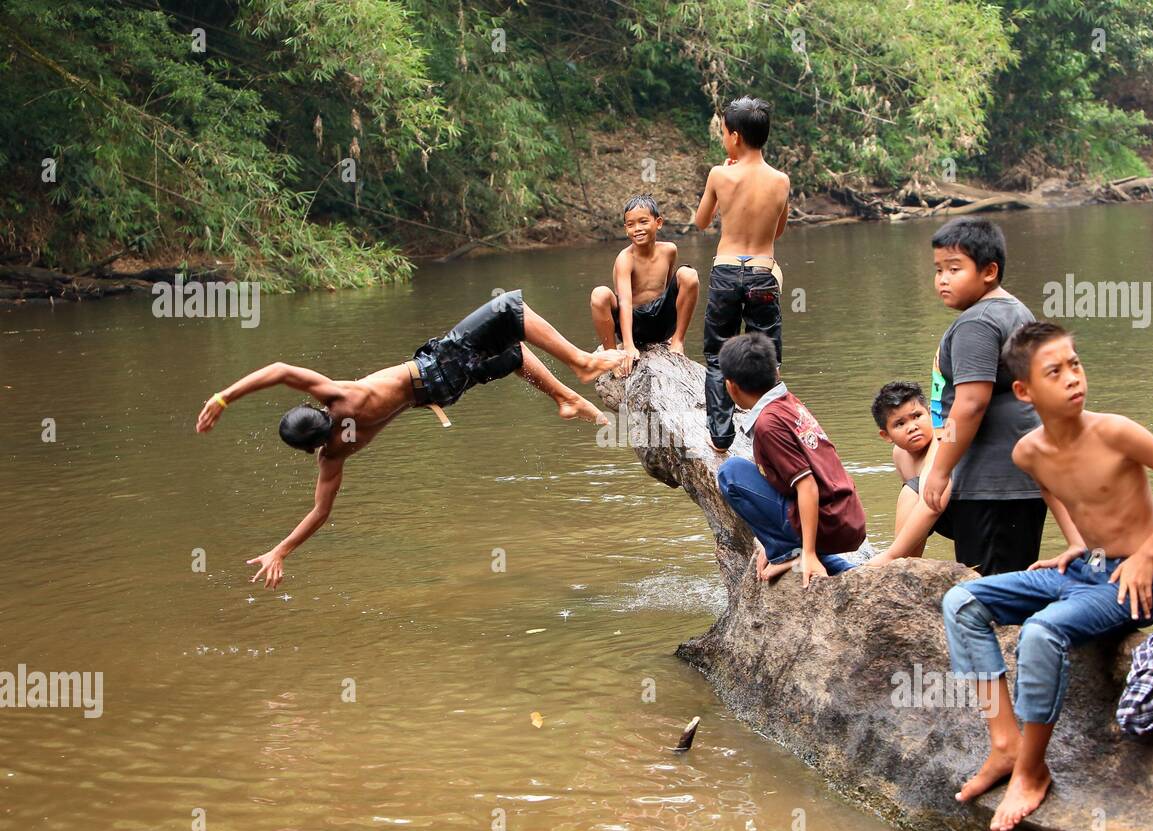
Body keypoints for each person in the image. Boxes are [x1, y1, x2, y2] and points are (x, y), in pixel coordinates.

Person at [941, 322, 1153, 831]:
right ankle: (1005, 745)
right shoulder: (1028, 451)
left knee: (1043, 632)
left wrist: (1148, 553)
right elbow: (1056, 490)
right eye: (1055, 372)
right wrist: (1076, 543)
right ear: (1024, 391)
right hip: (1085, 571)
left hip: (1136, 581)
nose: (1072, 378)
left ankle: (1031, 771)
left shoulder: (1115, 431)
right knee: (961, 602)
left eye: (1075, 365)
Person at [195, 290, 625, 588]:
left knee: (512, 350)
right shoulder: (340, 397)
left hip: (441, 393)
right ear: (318, 409)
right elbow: (280, 370)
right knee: (509, 308)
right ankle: (582, 365)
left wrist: (282, 551)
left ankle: (565, 398)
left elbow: (320, 513)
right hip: (437, 366)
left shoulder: (334, 454)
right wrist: (223, 396)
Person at [922, 217, 1045, 575]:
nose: (942, 279)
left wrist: (941, 469)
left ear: (989, 271)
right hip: (1019, 479)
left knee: (988, 591)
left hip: (993, 485)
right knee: (1012, 583)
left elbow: (971, 404)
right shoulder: (1016, 310)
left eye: (954, 269)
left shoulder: (976, 323)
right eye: (938, 269)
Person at [714, 333, 866, 588]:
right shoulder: (788, 403)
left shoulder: (768, 424)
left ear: (731, 386)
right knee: (750, 472)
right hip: (846, 517)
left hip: (830, 522)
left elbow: (807, 485)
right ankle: (839, 567)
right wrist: (769, 540)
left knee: (731, 473)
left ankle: (791, 555)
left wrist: (805, 554)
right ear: (777, 373)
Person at [693, 95, 790, 452]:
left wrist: (723, 184)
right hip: (763, 274)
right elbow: (778, 231)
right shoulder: (781, 180)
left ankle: (720, 437)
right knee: (767, 355)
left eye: (723, 132)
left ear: (734, 137)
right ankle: (770, 431)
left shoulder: (720, 174)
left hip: (727, 272)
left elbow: (701, 222)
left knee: (719, 352)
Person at [590, 194, 699, 375]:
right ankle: (612, 356)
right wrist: (628, 345)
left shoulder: (669, 250)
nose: (637, 229)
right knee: (599, 294)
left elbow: (669, 289)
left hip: (661, 323)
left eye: (643, 222)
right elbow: (625, 302)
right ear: (626, 229)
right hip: (635, 325)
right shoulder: (625, 259)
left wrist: (673, 335)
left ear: (658, 223)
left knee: (689, 274)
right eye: (631, 224)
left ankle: (678, 341)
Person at [866, 381, 954, 562]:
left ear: (930, 413)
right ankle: (908, 566)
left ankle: (899, 562)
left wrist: (891, 555)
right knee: (911, 491)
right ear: (886, 435)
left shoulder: (941, 441)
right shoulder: (899, 455)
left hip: (962, 510)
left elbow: (929, 505)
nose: (912, 427)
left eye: (917, 416)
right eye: (900, 424)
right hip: (936, 513)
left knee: (911, 491)